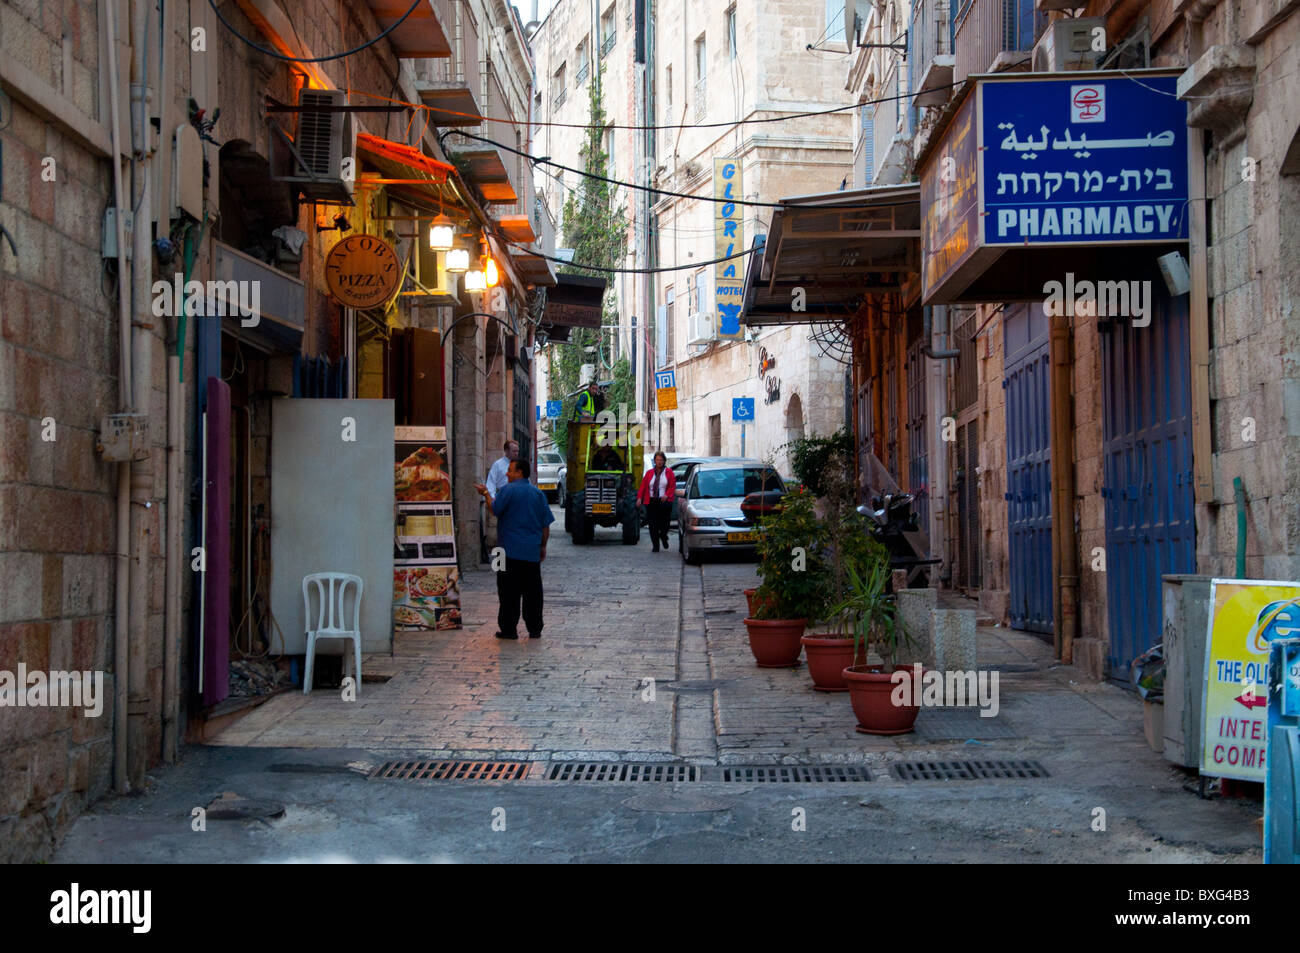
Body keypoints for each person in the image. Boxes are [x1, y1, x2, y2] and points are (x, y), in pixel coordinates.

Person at [475, 457, 554, 640]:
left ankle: (508, 629)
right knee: (533, 592)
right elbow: (546, 525)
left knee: (506, 591)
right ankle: (535, 628)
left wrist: (486, 493)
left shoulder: (507, 490)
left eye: (510, 470)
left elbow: (494, 510)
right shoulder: (538, 494)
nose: (506, 473)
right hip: (531, 551)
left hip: (503, 551)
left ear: (519, 472)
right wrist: (542, 546)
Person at [638, 451, 676, 553]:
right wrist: (639, 498)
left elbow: (672, 486)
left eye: (661, 460)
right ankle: (655, 546)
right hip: (651, 501)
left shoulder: (669, 472)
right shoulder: (649, 473)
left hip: (664, 501)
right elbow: (643, 486)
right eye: (657, 460)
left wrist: (667, 494)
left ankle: (663, 536)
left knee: (664, 524)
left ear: (664, 461)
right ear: (655, 461)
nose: (659, 462)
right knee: (653, 525)